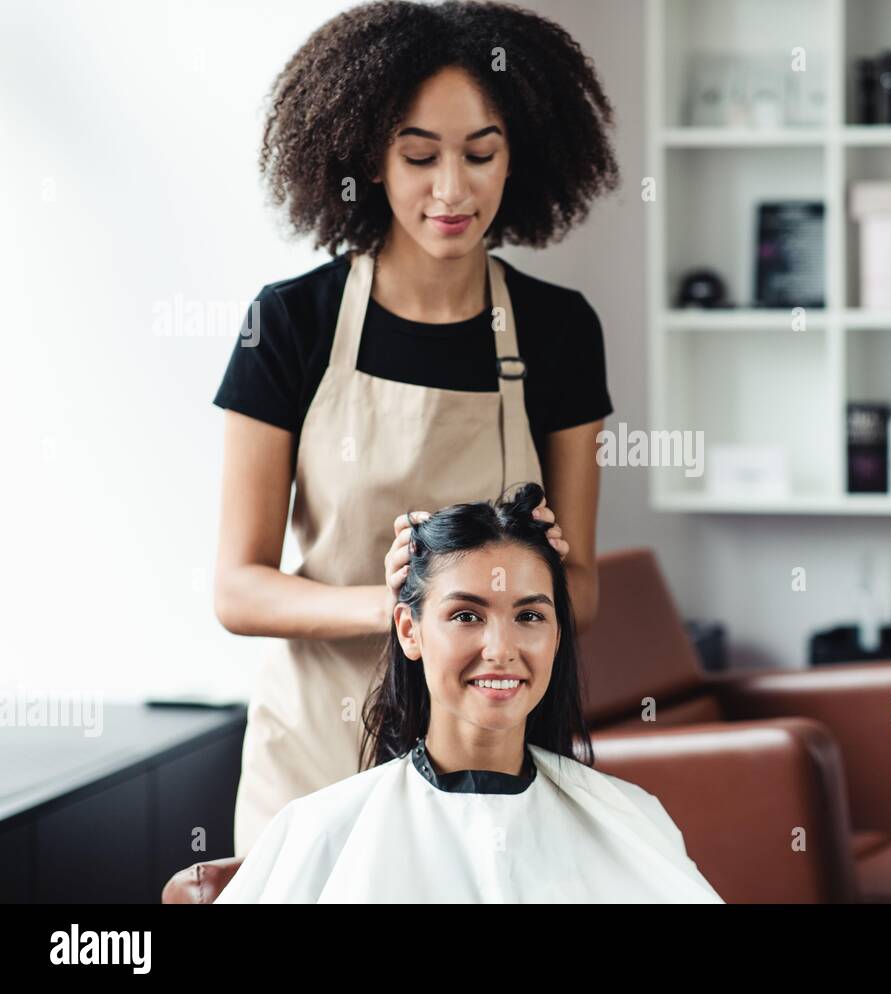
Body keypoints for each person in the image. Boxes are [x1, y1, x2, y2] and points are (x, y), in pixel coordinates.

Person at [211, 0, 620, 858]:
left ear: (521, 155)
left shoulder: (557, 330)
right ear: (369, 158)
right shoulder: (291, 323)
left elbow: (579, 589)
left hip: (494, 754)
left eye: (481, 153)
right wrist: (404, 605)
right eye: (418, 156)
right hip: (320, 749)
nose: (452, 189)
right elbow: (239, 589)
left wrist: (526, 576)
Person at [215, 484, 724, 903]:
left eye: (529, 616)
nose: (501, 650)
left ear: (556, 635)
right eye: (466, 616)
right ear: (409, 632)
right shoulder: (320, 832)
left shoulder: (629, 820)